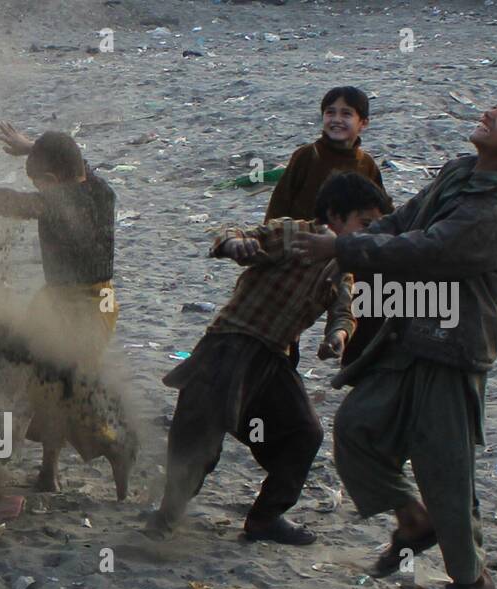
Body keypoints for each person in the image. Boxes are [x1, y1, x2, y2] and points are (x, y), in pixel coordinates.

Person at [293, 92, 497, 589]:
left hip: (454, 349)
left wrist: (343, 250)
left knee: (445, 468)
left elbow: (427, 250)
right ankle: (416, 521)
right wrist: (348, 245)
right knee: (356, 429)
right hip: (413, 333)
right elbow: (403, 223)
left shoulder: (495, 213)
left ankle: (473, 581)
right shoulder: (459, 172)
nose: (489, 113)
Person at [144, 172, 392, 544]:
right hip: (230, 346)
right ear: (336, 217)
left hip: (273, 360)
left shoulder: (343, 267)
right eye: (365, 224)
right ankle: (167, 516)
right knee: (198, 441)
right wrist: (234, 246)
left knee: (304, 433)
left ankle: (264, 517)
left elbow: (344, 312)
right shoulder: (292, 234)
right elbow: (235, 235)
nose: (369, 234)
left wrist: (337, 337)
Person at [0, 129, 137, 500]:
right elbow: (75, 161)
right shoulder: (100, 188)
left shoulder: (55, 202)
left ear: (49, 182)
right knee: (48, 387)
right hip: (77, 300)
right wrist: (33, 148)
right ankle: (48, 472)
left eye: (39, 183)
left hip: (83, 306)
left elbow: (12, 203)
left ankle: (114, 447)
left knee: (65, 387)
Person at [266, 86, 387, 368]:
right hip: (302, 252)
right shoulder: (307, 157)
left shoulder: (366, 165)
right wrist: (274, 245)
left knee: (361, 306)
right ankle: (281, 370)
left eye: (347, 113)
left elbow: (380, 212)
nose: (336, 119)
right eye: (330, 112)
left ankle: (352, 361)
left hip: (346, 254)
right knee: (285, 323)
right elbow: (279, 205)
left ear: (363, 123)